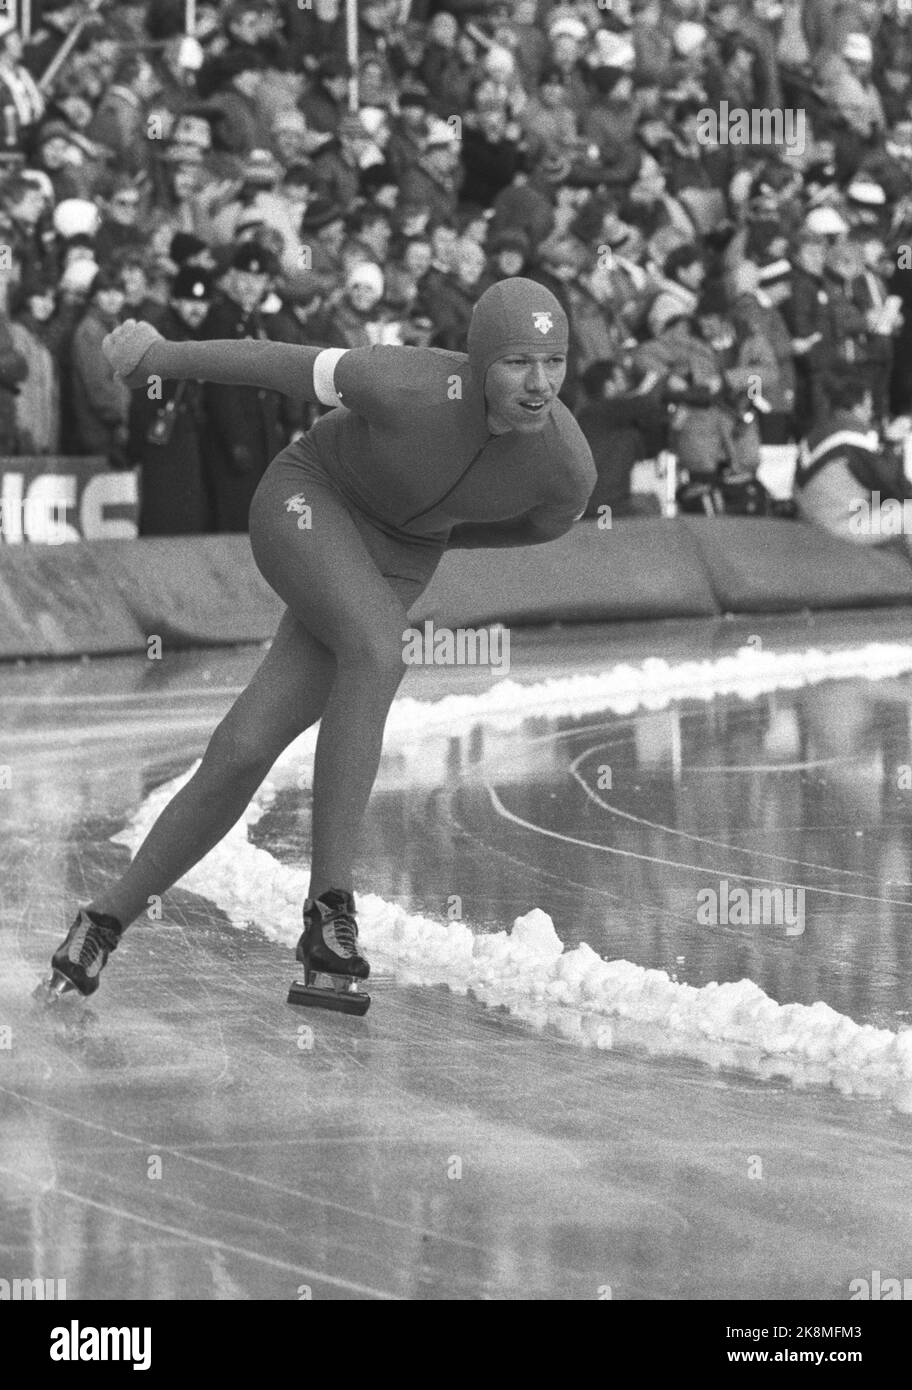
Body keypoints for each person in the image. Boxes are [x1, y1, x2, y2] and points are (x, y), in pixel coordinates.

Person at [41, 277, 596, 1010]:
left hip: (397, 559)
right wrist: (156, 355)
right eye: (518, 361)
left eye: (554, 362)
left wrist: (432, 539)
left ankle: (102, 921)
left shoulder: (566, 466)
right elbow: (274, 362)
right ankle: (330, 909)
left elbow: (533, 528)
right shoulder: (402, 382)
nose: (539, 383)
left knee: (244, 748)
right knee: (381, 649)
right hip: (308, 502)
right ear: (478, 360)